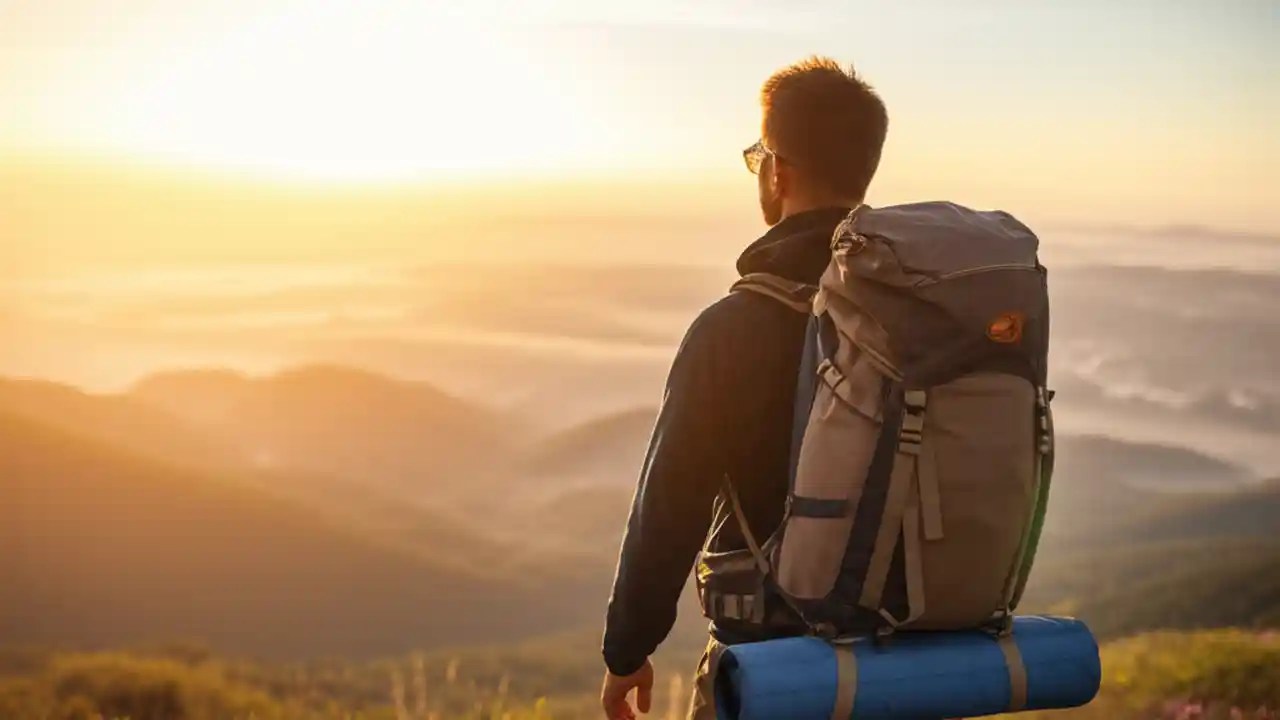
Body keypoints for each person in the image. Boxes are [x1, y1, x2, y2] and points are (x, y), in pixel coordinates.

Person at [599, 57, 890, 720]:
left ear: (777, 171)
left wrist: (627, 650)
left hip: (775, 664)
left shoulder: (735, 328)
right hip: (919, 661)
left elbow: (668, 508)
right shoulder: (918, 316)